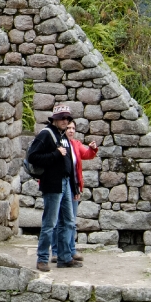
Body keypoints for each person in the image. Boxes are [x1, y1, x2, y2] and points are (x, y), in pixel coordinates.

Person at [25, 106, 81, 270]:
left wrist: (74, 187)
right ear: (54, 119)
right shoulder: (46, 134)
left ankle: (64, 257)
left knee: (68, 221)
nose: (66, 121)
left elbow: (69, 163)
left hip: (65, 184)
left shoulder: (63, 136)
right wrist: (55, 154)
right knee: (50, 223)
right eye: (63, 118)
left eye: (68, 119)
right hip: (52, 184)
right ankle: (42, 258)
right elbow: (33, 156)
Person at [51, 119, 99, 263]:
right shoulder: (58, 143)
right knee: (58, 221)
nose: (71, 130)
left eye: (73, 128)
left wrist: (92, 149)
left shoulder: (76, 145)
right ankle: (55, 251)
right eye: (69, 128)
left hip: (73, 187)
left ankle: (71, 249)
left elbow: (87, 155)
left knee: (70, 221)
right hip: (58, 186)